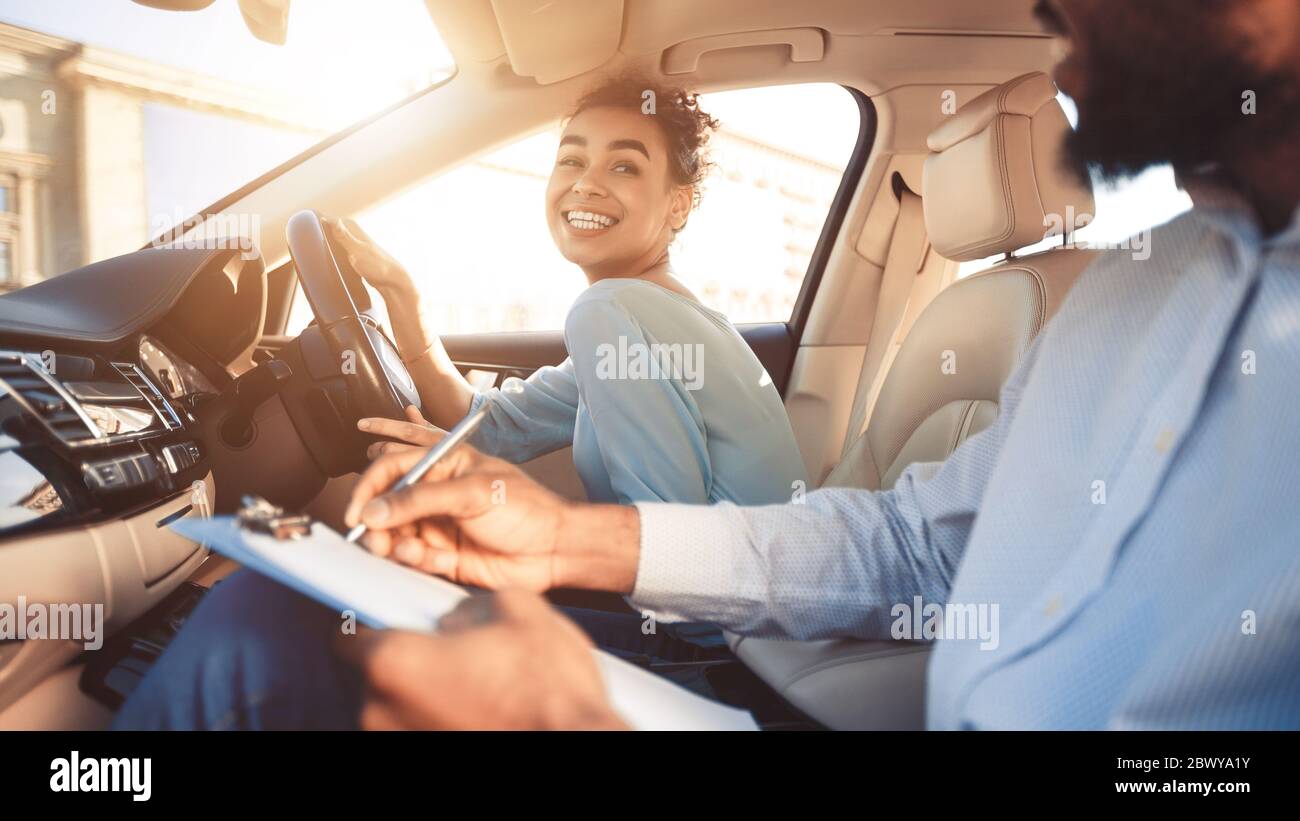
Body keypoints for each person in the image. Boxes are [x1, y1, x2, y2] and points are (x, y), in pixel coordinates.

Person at [120, 0, 1300, 730]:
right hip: (766, 645)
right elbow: (914, 546)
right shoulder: (1134, 283)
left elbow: (648, 498)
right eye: (570, 156)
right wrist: (561, 534)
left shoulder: (624, 313)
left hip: (719, 651)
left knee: (265, 633)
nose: (1054, 19)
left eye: (624, 166)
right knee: (279, 627)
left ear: (679, 206)